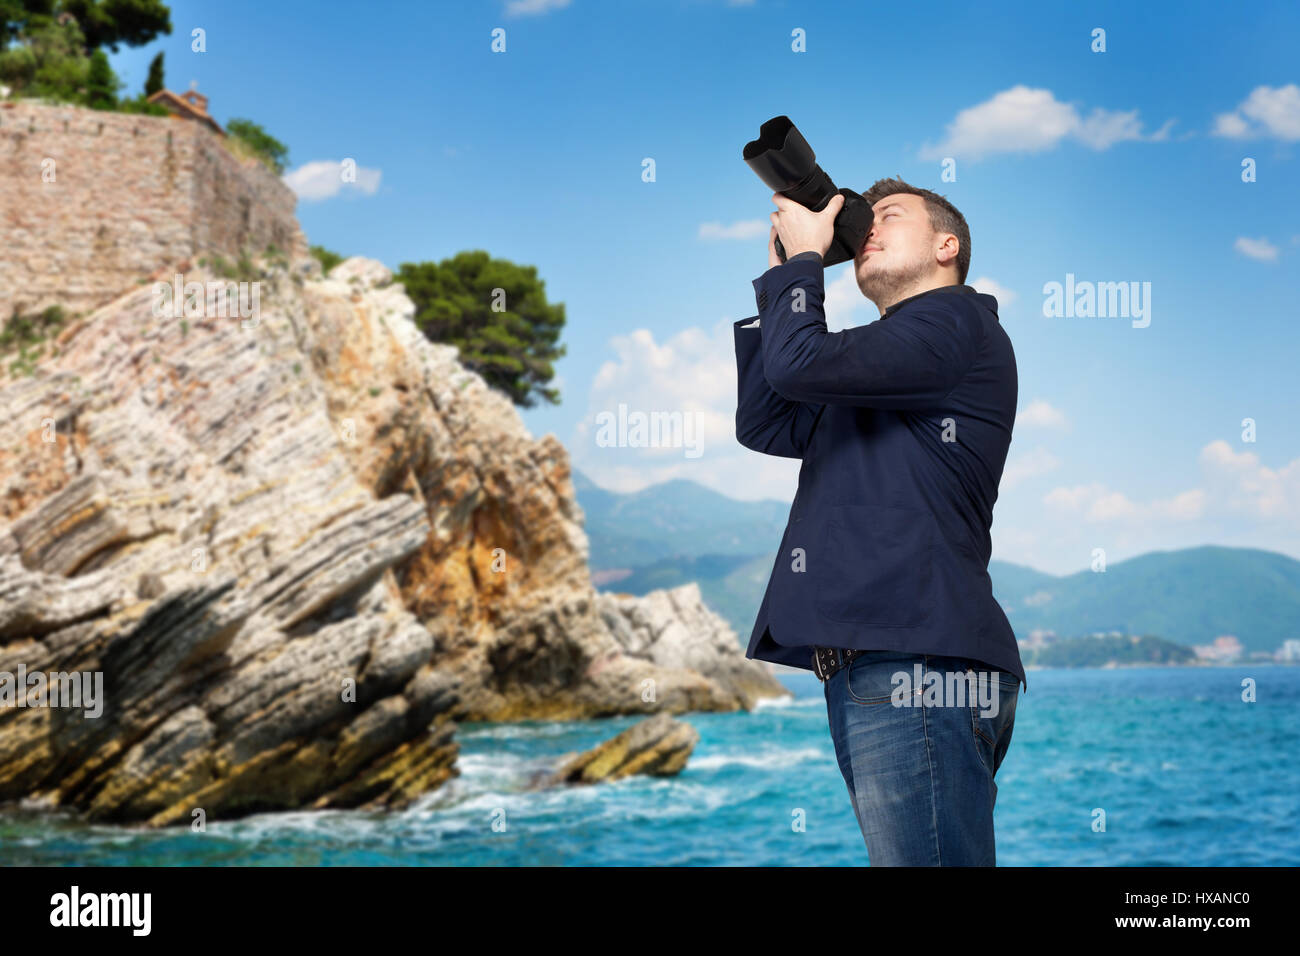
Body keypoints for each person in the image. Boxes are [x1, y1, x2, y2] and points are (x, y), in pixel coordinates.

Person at [733, 176, 1024, 865]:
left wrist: (806, 267)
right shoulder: (893, 361)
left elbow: (801, 363)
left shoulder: (955, 321)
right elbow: (768, 421)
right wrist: (781, 276)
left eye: (889, 216)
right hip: (887, 659)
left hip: (913, 656)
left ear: (947, 246)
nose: (868, 228)